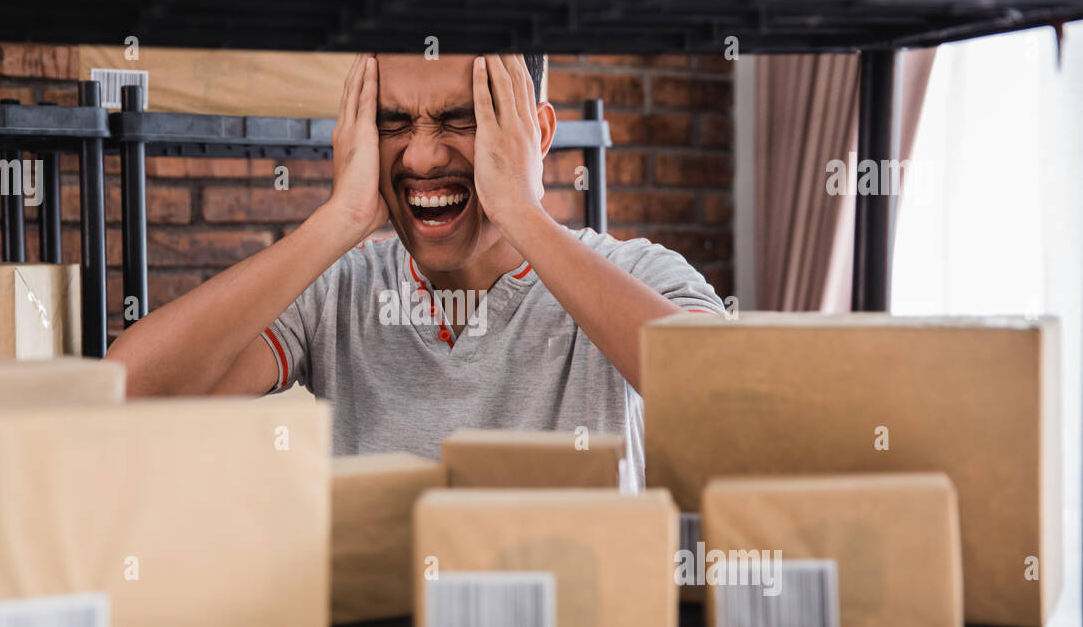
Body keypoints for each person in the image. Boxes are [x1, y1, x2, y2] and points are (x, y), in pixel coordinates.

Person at [106, 53, 724, 482]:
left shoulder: (640, 271)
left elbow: (722, 405)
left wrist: (520, 211)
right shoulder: (339, 291)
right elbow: (124, 396)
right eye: (393, 124)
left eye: (462, 119)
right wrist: (336, 222)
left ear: (535, 134)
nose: (423, 156)